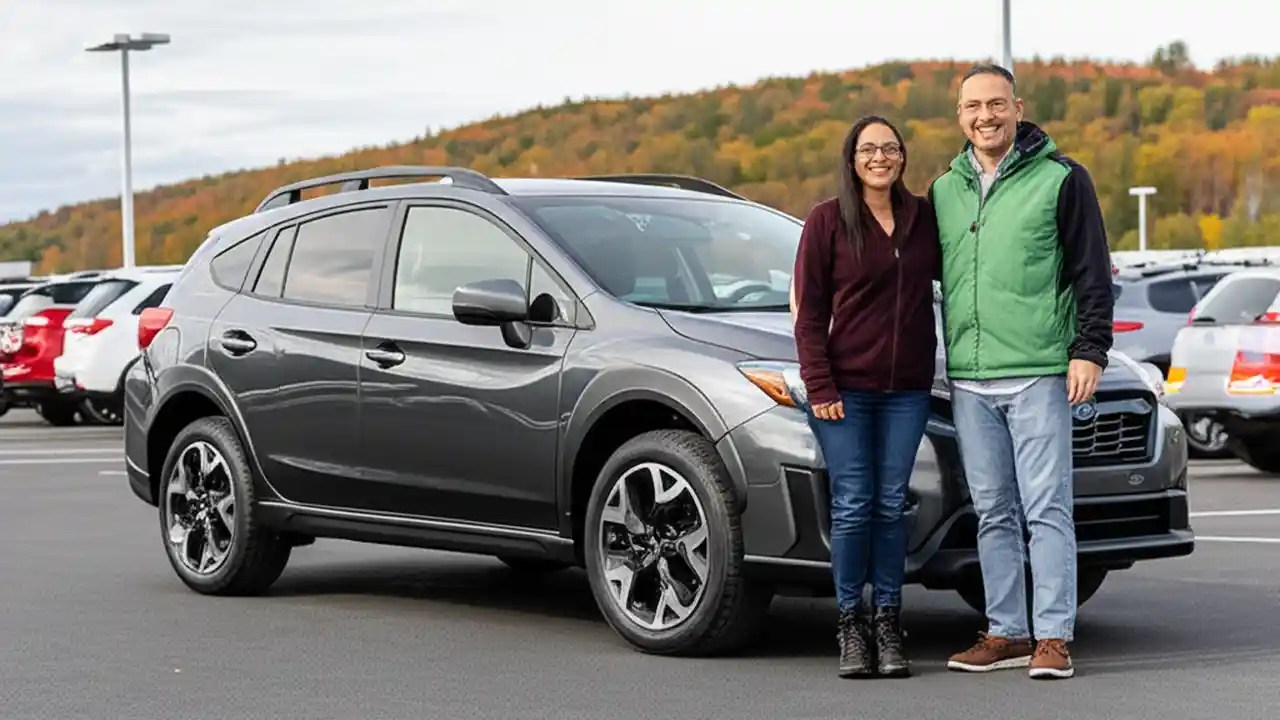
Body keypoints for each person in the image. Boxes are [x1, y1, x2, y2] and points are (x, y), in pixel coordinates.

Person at [928, 64, 1114, 680]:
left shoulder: (1063, 178)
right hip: (970, 380)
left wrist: (1090, 349)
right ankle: (1006, 631)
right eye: (973, 106)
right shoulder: (943, 191)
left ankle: (1053, 636)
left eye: (996, 104)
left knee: (1047, 508)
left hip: (1038, 373)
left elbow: (1094, 272)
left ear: (1018, 107)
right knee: (993, 511)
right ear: (960, 116)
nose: (985, 115)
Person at [791, 115, 941, 678]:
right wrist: (820, 384)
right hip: (843, 392)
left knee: (890, 502)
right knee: (854, 503)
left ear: (903, 156)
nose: (881, 156)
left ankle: (888, 621)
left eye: (891, 147)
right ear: (852, 158)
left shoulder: (923, 218)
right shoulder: (827, 221)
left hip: (906, 390)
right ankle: (851, 625)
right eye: (869, 148)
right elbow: (808, 316)